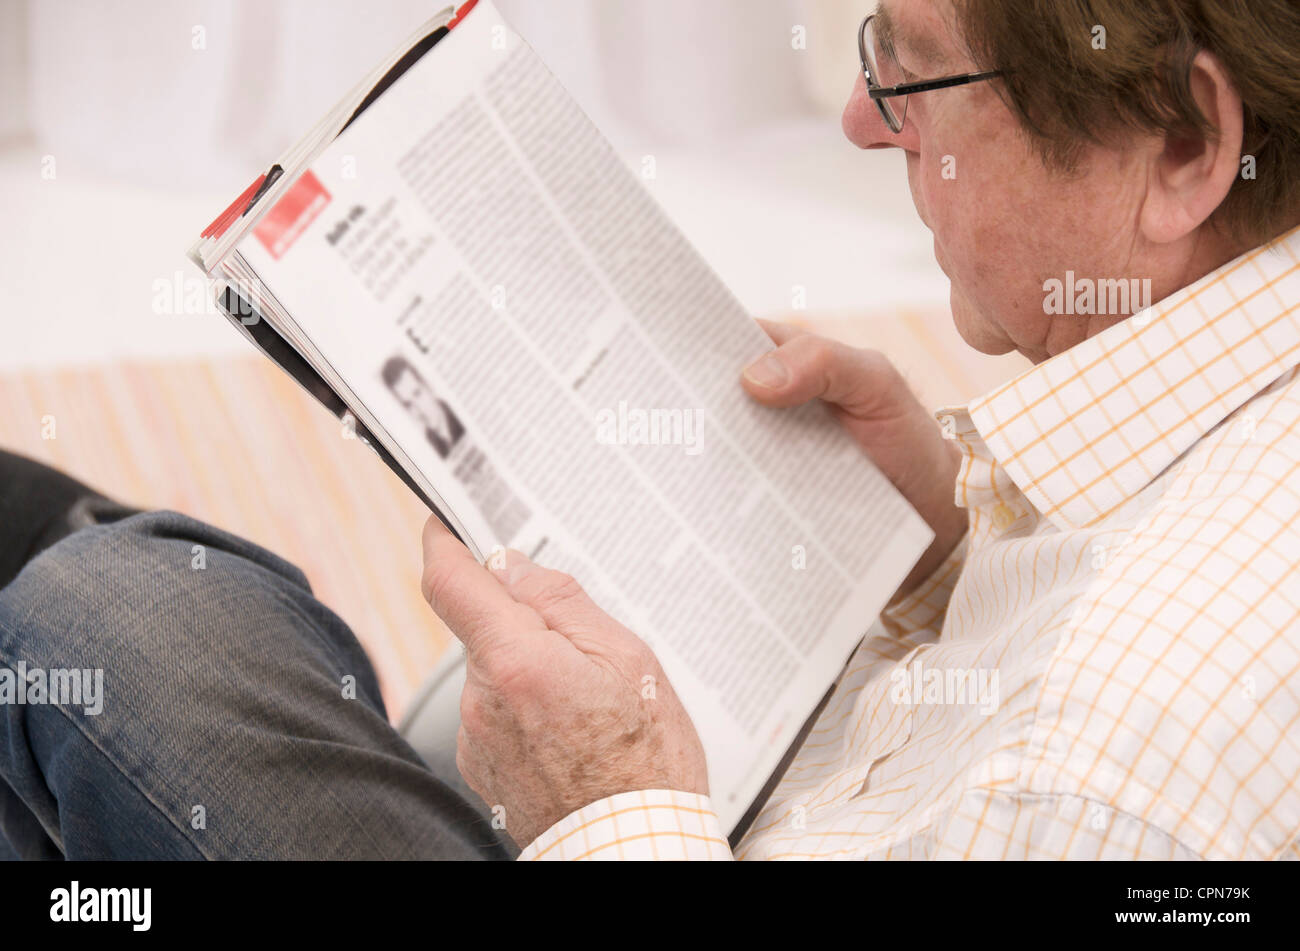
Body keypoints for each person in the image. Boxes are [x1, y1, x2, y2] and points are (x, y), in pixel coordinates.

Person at [3, 0, 1298, 859]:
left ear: (1185, 146)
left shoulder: (1115, 771)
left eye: (914, 71)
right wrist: (950, 549)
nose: (860, 119)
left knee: (109, 622)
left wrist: (613, 804)